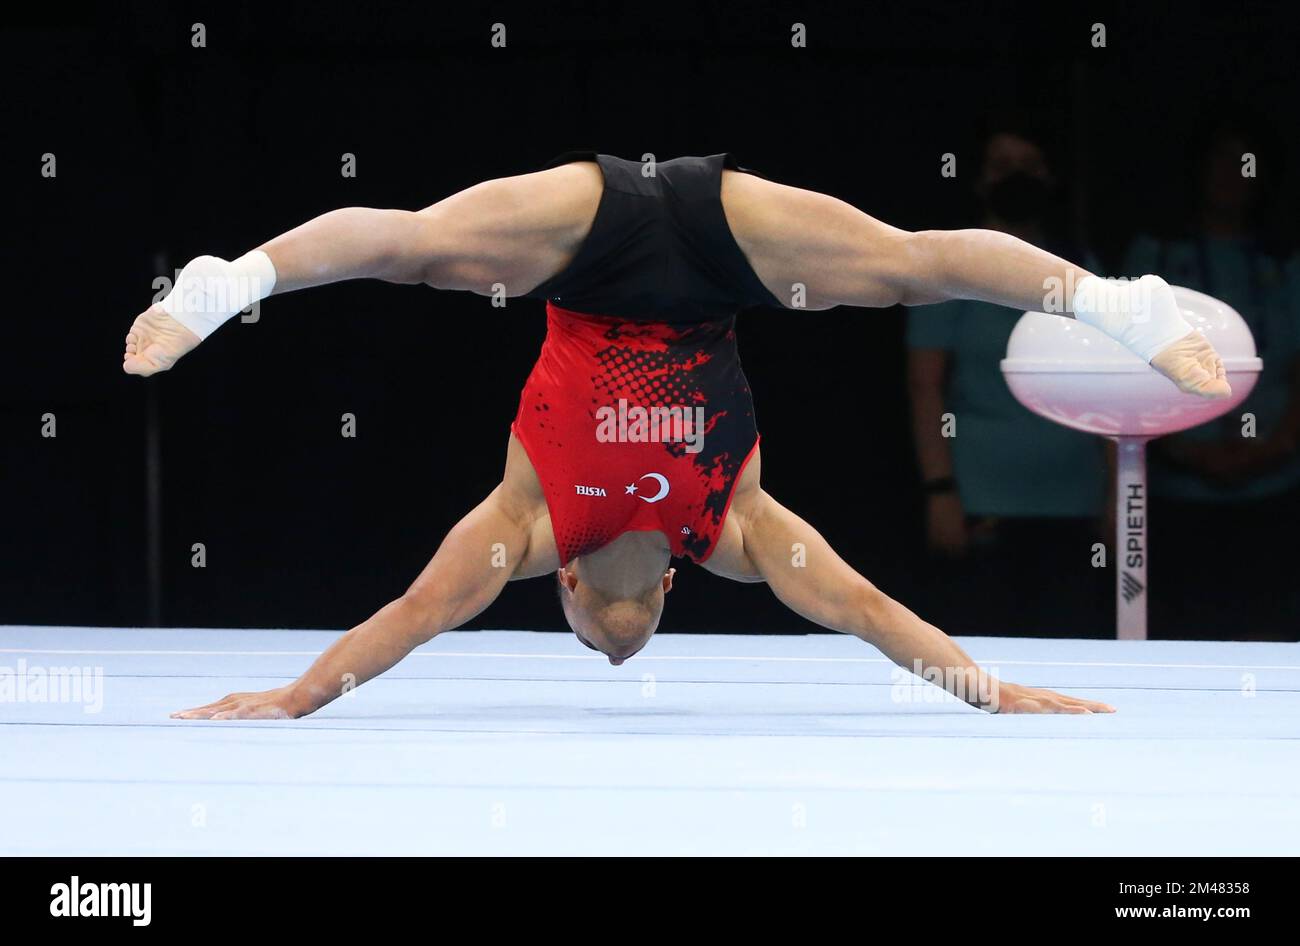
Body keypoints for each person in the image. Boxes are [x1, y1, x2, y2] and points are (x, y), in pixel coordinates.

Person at [124, 152, 1227, 718]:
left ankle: (237, 277)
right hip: (716, 250)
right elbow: (869, 613)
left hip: (582, 246)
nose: (610, 613)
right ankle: (1120, 301)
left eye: (592, 621)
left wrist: (295, 694)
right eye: (628, 623)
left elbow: (412, 617)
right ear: (672, 591)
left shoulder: (526, 526)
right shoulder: (735, 529)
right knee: (903, 266)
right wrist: (989, 688)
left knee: (417, 247)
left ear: (561, 587)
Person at [907, 128, 1110, 635]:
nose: (1018, 178)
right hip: (981, 500)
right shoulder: (949, 267)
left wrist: (1120, 496)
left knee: (1079, 645)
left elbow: (1116, 384)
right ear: (978, 181)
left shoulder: (1083, 269)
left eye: (1031, 166)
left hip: (1076, 498)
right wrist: (940, 491)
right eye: (1002, 166)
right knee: (987, 642)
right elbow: (925, 386)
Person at [1124, 119, 1300, 637]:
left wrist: (1277, 446)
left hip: (1273, 481)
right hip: (1177, 484)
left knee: (1267, 627)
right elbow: (1128, 363)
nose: (1231, 172)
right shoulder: (1153, 255)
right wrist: (1182, 451)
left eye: (1244, 159)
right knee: (1181, 629)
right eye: (1220, 157)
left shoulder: (1284, 262)